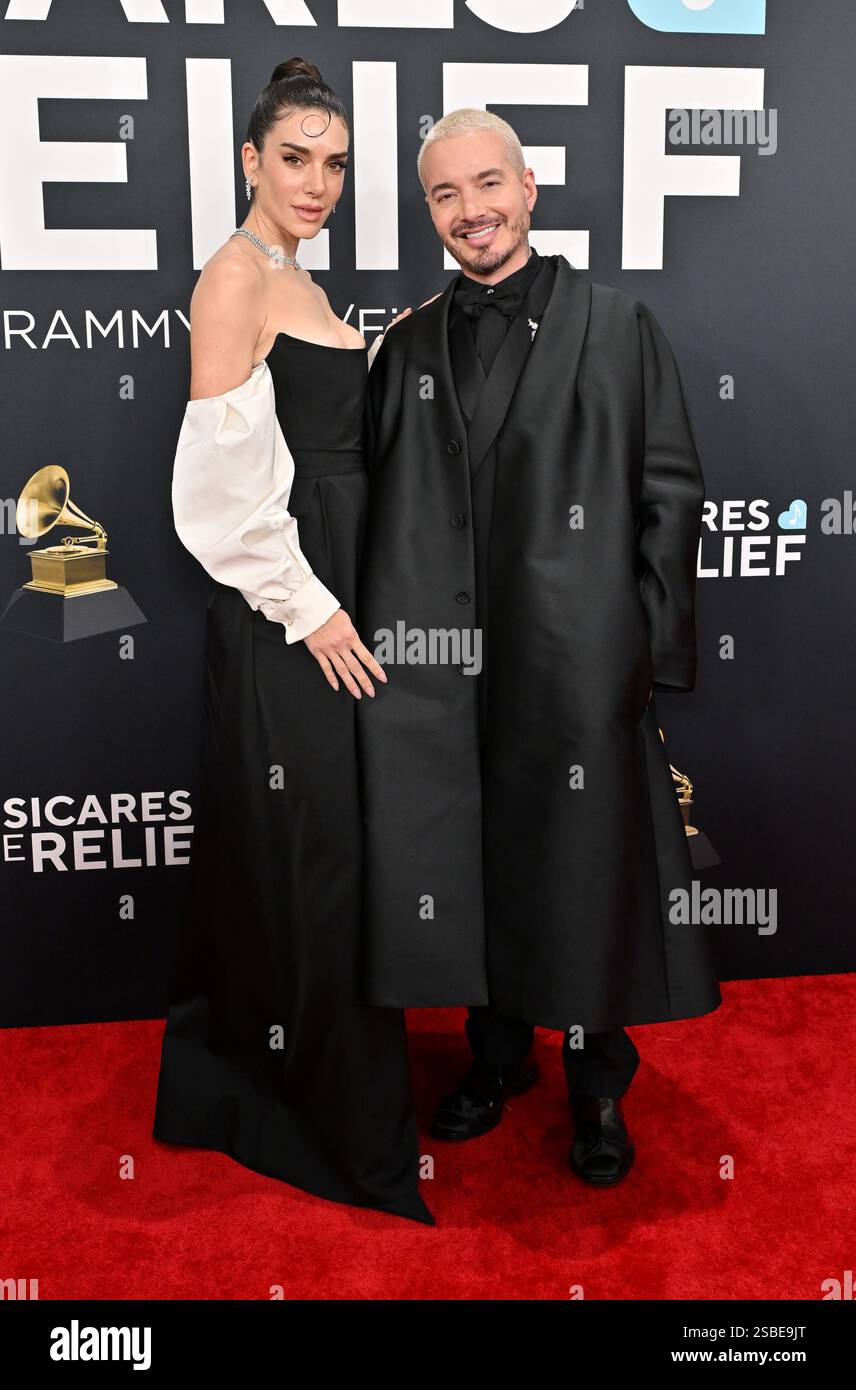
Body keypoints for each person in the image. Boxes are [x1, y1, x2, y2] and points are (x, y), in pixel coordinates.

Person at [357, 108, 722, 1186]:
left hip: (575, 667)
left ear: (528, 187)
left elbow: (670, 491)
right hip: (442, 674)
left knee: (586, 881)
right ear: (428, 211)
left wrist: (643, 660)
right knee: (469, 870)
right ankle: (495, 1056)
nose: (470, 211)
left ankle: (598, 1086)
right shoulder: (407, 343)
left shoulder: (617, 326)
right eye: (444, 194)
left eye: (486, 184)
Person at [152, 58, 433, 1226]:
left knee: (327, 858)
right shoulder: (233, 275)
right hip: (289, 620)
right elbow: (214, 493)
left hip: (331, 597)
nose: (316, 181)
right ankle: (320, 1115)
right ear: (249, 160)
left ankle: (289, 1082)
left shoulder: (292, 273)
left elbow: (315, 412)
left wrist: (388, 347)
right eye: (295, 158)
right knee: (315, 861)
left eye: (335, 164)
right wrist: (307, 605)